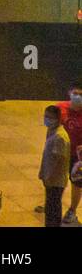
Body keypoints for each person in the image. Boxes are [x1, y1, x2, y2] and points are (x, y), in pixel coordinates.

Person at [50, 81, 82, 224]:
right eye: (75, 94)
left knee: (77, 183)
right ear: (69, 93)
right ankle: (52, 205)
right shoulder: (59, 108)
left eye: (81, 95)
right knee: (56, 181)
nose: (78, 97)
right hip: (60, 154)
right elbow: (51, 128)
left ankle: (72, 210)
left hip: (78, 157)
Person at [41, 103, 72, 227]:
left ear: (58, 119)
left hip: (55, 180)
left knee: (53, 209)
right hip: (51, 178)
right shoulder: (52, 131)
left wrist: (48, 177)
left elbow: (57, 161)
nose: (46, 119)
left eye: (49, 117)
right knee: (51, 207)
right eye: (45, 116)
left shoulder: (59, 137)